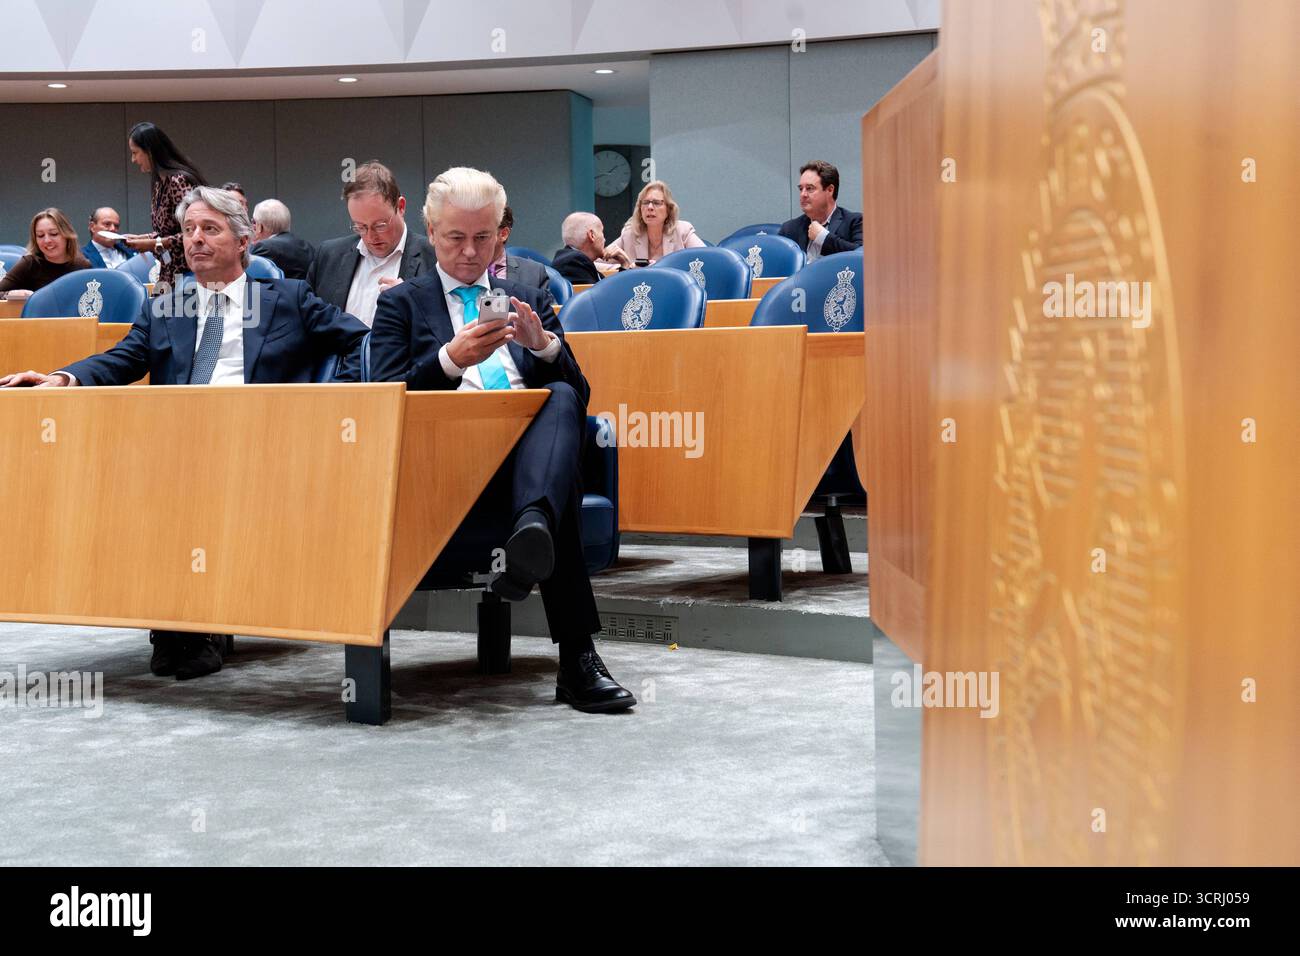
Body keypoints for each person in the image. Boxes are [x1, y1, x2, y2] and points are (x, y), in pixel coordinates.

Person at [0, 186, 370, 681]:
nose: (195, 240)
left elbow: (361, 342)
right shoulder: (166, 307)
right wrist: (60, 377)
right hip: (181, 442)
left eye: (210, 230)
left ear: (243, 242)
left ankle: (189, 628)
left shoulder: (288, 299)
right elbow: (123, 359)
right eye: (190, 230)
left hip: (263, 440)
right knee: (138, 473)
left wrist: (328, 400)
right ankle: (179, 623)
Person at [369, 167, 636, 714]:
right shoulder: (402, 302)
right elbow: (383, 399)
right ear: (430, 231)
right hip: (445, 464)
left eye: (483, 238)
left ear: (500, 234)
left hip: (526, 464)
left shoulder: (525, 293)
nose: (470, 253)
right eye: (455, 238)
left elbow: (582, 397)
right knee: (554, 500)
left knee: (560, 396)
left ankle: (531, 528)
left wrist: (544, 350)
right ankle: (577, 659)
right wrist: (449, 361)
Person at [305, 160, 437, 327]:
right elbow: (307, 321)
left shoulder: (434, 256)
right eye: (360, 226)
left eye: (380, 225)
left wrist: (414, 304)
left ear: (401, 207)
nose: (370, 237)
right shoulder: (328, 256)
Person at [123, 121, 207, 288]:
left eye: (135, 153)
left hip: (190, 273)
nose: (133, 159)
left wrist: (153, 244)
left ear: (150, 151)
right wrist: (143, 239)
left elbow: (195, 232)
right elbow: (166, 232)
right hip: (169, 272)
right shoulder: (159, 182)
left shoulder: (178, 180)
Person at [778, 160, 864, 262]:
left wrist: (823, 237)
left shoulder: (855, 222)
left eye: (809, 188)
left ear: (830, 190)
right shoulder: (789, 229)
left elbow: (861, 257)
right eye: (801, 189)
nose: (803, 194)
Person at [606, 180, 705, 265]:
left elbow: (707, 258)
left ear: (669, 209)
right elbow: (596, 263)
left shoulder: (683, 231)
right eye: (645, 202)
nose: (649, 207)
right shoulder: (629, 234)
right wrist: (626, 266)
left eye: (657, 203)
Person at [0, 208, 91, 298]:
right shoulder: (29, 263)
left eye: (54, 234)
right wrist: (9, 294)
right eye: (40, 235)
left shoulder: (83, 266)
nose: (47, 240)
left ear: (67, 235)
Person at [552, 212, 631, 284]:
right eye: (602, 231)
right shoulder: (574, 262)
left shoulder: (577, 261)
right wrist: (625, 264)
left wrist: (624, 266)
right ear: (592, 235)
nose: (604, 239)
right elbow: (608, 296)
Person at [250, 198, 315, 280]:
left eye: (253, 222)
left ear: (259, 226)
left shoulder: (263, 248)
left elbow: (253, 289)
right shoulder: (307, 246)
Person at [489, 205, 547, 288]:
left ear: (503, 234)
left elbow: (546, 301)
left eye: (482, 235)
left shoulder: (534, 273)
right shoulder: (464, 271)